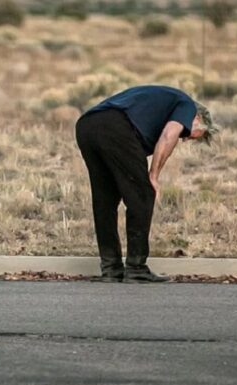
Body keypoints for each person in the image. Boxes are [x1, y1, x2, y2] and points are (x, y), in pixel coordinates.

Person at [75, 85, 218, 283]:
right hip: (114, 126)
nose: (185, 139)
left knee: (105, 201)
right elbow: (169, 136)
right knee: (143, 194)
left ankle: (111, 269)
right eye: (193, 135)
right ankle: (136, 268)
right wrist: (153, 175)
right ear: (198, 119)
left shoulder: (162, 104)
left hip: (87, 125)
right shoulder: (187, 105)